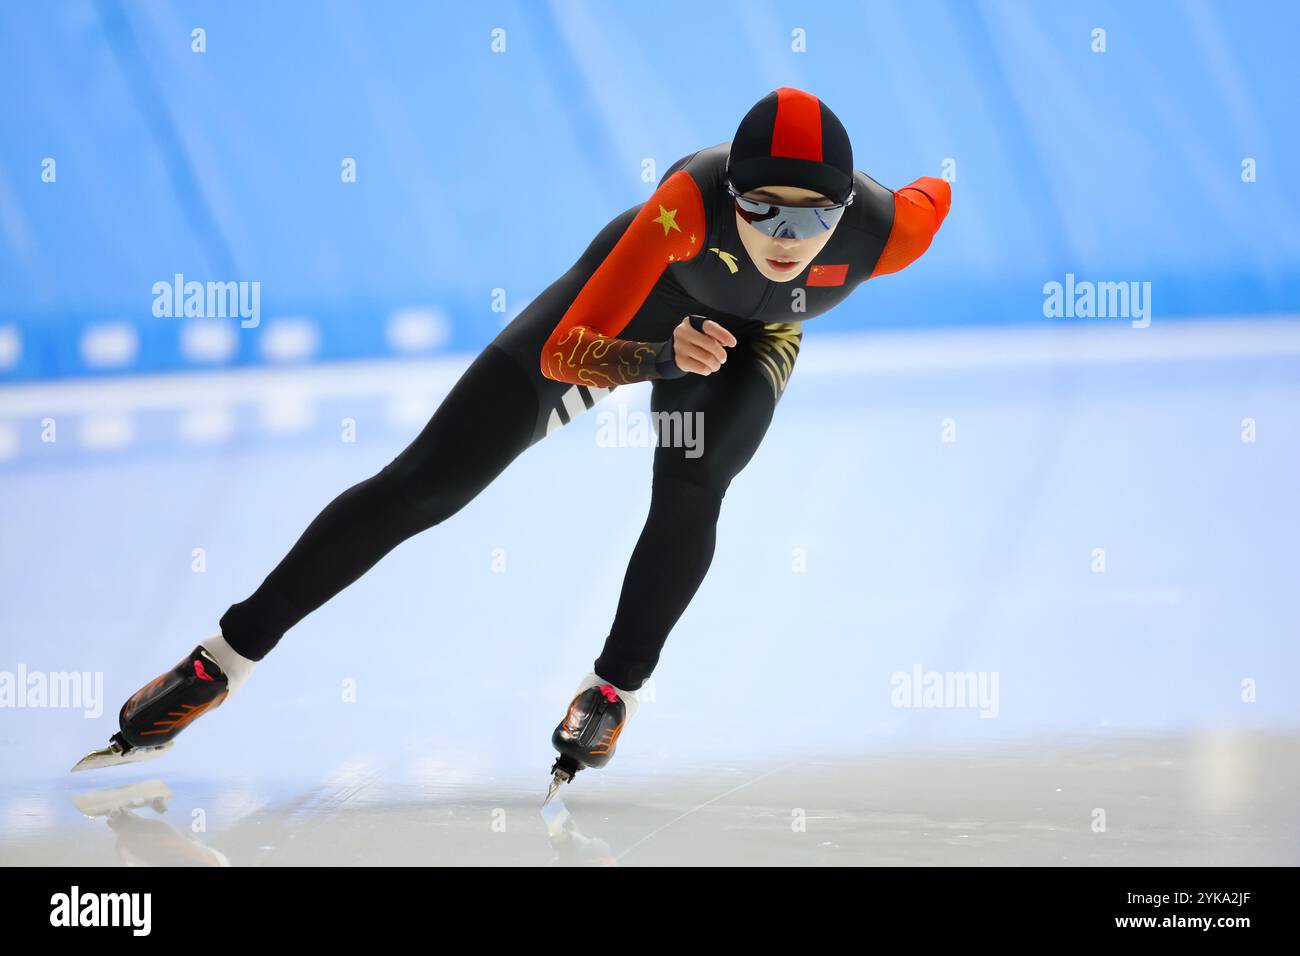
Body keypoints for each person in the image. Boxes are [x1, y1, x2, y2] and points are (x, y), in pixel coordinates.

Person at [74, 88, 952, 793]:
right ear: (729, 198)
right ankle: (222, 661)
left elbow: (936, 192)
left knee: (695, 481)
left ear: (847, 210)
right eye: (764, 213)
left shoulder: (888, 229)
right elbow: (571, 350)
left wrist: (698, 357)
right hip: (629, 324)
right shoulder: (681, 211)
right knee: (425, 487)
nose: (787, 242)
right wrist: (657, 355)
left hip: (748, 346)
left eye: (813, 220)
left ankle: (614, 691)